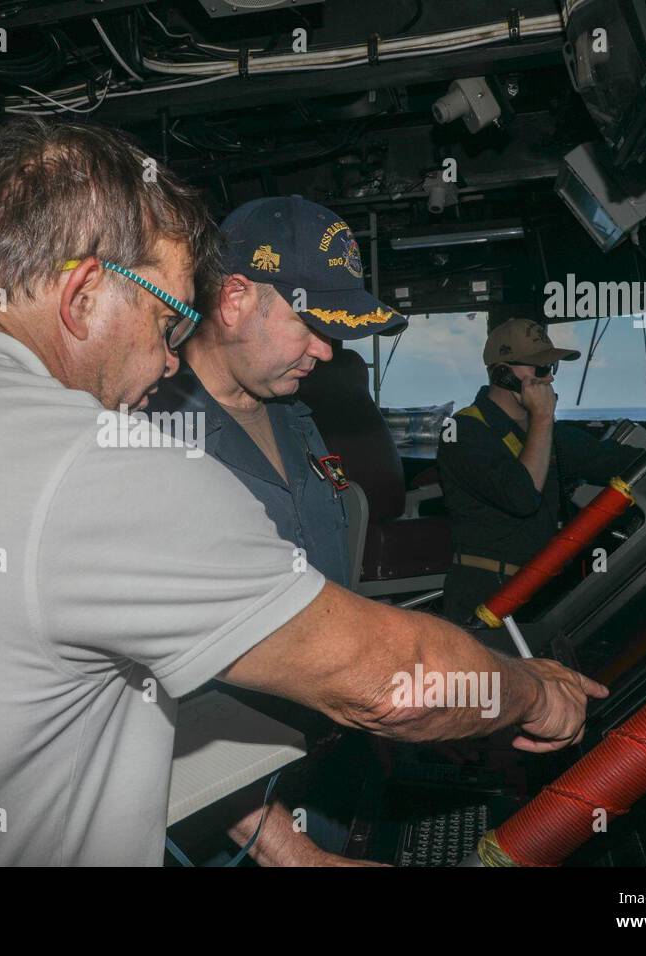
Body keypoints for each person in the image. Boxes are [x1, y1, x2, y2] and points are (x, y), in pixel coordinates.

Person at [0, 116, 605, 867]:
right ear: (86, 293)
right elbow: (388, 684)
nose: (170, 359)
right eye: (168, 319)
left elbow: (14, 707)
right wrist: (531, 694)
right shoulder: (92, 462)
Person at [146, 195, 406, 865]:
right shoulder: (145, 434)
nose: (326, 350)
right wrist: (284, 849)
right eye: (310, 324)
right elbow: (150, 686)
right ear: (235, 299)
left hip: (319, 756)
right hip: (223, 802)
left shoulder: (294, 415)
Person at [437, 318, 641, 636]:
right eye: (539, 370)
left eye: (550, 369)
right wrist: (543, 417)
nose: (548, 380)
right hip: (488, 597)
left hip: (543, 592)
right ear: (502, 373)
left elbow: (617, 462)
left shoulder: (551, 434)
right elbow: (522, 496)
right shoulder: (463, 432)